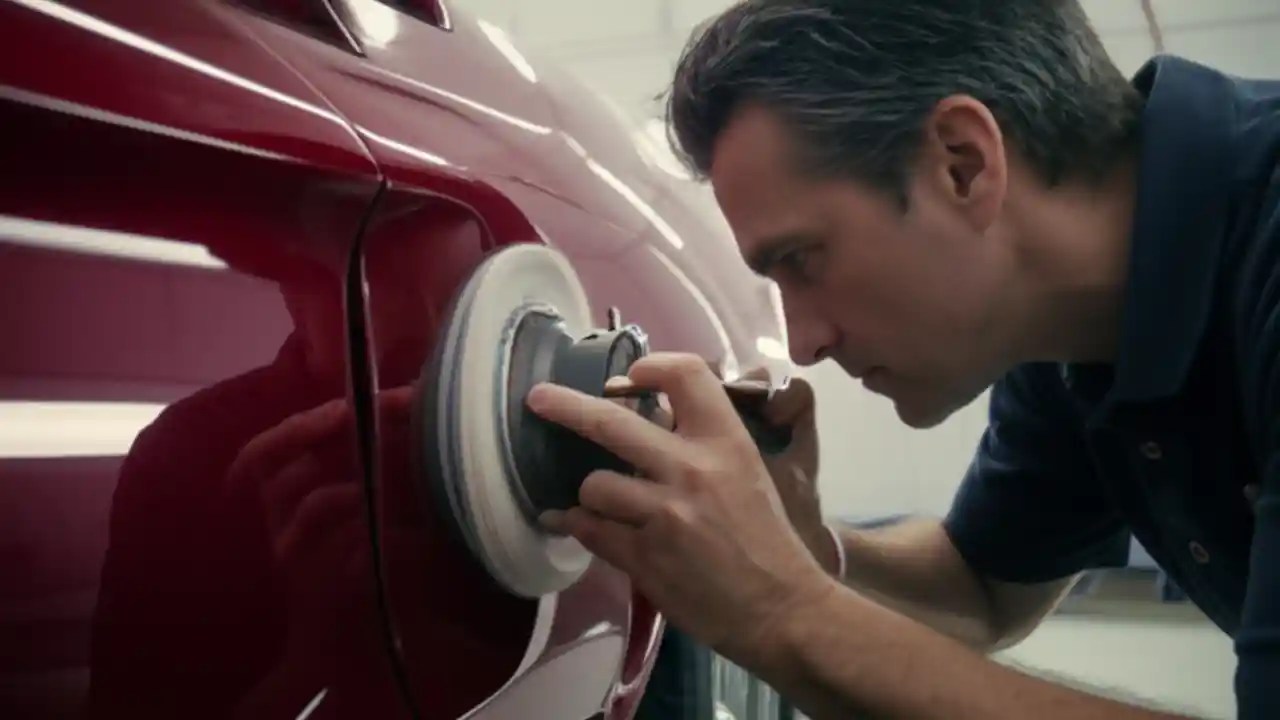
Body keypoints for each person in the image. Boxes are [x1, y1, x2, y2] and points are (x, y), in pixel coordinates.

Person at [524, 1, 1280, 718]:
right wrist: (800, 547)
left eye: (802, 259)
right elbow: (982, 593)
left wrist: (777, 609)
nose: (804, 344)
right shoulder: (1065, 328)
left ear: (963, 164)